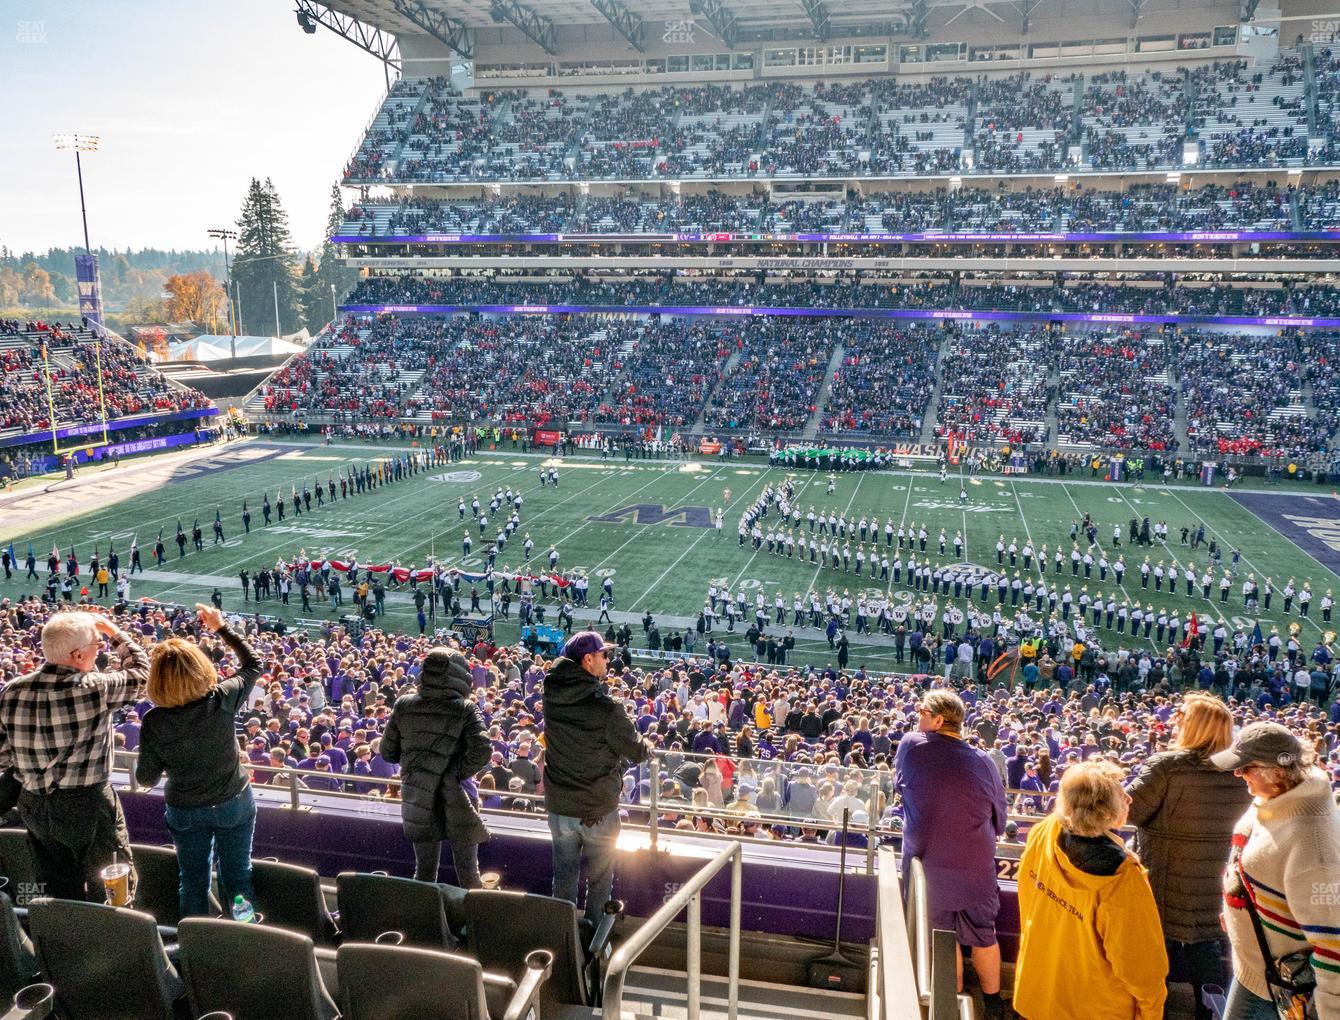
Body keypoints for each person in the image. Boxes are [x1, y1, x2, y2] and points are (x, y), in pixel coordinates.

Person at [0, 609, 148, 902]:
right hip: (88, 806)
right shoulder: (95, 687)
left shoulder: (13, 690)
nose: (99, 651)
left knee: (57, 891)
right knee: (111, 889)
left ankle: (64, 944)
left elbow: (3, 754)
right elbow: (142, 672)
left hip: (34, 805)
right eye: (97, 645)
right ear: (78, 656)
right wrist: (114, 632)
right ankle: (108, 944)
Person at [1125, 694, 1252, 1020]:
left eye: (1182, 717)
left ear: (1193, 727)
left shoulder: (1167, 767)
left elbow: (1126, 810)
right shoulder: (1241, 774)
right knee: (1209, 966)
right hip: (1216, 888)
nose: (1175, 721)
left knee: (1154, 970)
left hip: (1163, 887)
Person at [1013, 759, 1168, 1020]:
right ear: (1103, 810)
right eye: (1120, 794)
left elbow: (1028, 903)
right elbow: (1141, 967)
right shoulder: (1122, 877)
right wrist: (1152, 1013)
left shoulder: (1043, 833)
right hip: (1094, 1009)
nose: (1128, 798)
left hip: (1035, 994)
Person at [134, 603, 262, 918]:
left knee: (192, 881)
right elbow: (253, 664)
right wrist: (221, 628)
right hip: (233, 799)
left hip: (185, 808)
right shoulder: (221, 698)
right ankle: (243, 935)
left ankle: (195, 945)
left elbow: (147, 778)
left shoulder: (154, 721)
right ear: (201, 668)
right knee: (237, 877)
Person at [1213, 722, 1340, 1020]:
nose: (1237, 773)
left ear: (1278, 770)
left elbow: (1333, 937)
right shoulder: (1278, 797)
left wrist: (1329, 1010)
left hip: (1277, 988)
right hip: (1258, 972)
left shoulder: (1314, 844)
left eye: (1245, 768)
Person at [895, 690, 1009, 1018]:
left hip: (928, 868)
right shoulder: (985, 761)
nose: (917, 716)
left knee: (943, 940)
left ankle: (951, 1004)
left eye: (922, 711)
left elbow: (901, 787)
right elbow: (999, 820)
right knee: (984, 936)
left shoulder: (912, 745)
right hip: (975, 868)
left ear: (938, 720)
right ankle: (994, 1006)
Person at [542, 631, 650, 926]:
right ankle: (592, 945)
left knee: (563, 878)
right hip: (598, 809)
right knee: (600, 881)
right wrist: (647, 743)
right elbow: (638, 751)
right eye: (604, 654)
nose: (608, 659)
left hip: (561, 804)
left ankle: (560, 940)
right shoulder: (607, 708)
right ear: (588, 660)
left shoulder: (551, 694)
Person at [379, 647, 491, 888]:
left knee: (424, 874)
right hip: (460, 795)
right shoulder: (465, 708)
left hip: (418, 794)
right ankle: (471, 925)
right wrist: (454, 774)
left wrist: (418, 765)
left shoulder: (404, 705)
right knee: (469, 875)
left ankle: (424, 923)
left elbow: (387, 752)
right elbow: (483, 751)